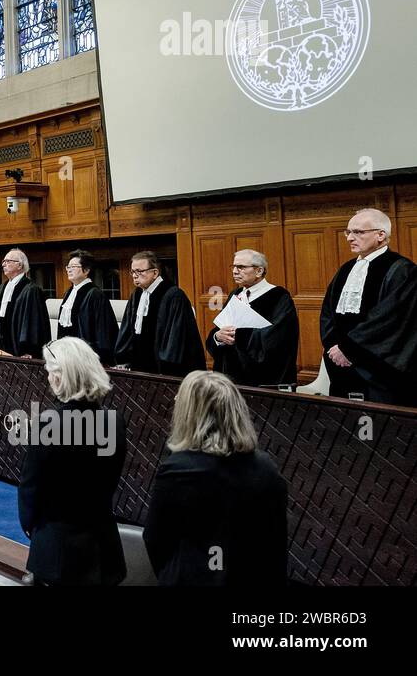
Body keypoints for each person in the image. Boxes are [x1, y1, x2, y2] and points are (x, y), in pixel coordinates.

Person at [143, 371, 288, 585]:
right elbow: (275, 542)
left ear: (189, 414)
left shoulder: (178, 470)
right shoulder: (267, 467)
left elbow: (155, 540)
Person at [18, 337, 127, 586]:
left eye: (49, 372)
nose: (47, 378)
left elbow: (31, 486)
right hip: (103, 547)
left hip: (59, 551)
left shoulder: (50, 423)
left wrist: (33, 527)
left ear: (60, 376)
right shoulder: (114, 420)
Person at [320, 208, 417, 405]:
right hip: (340, 364)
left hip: (378, 368)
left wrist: (349, 349)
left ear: (381, 235)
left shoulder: (401, 269)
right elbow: (328, 312)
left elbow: (391, 319)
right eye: (348, 232)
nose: (349, 238)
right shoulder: (346, 269)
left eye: (358, 232)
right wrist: (332, 345)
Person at [205, 249, 300, 387]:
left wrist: (239, 335)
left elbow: (278, 338)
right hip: (230, 378)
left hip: (262, 378)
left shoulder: (278, 297)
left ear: (259, 271)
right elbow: (220, 327)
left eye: (241, 267)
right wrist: (218, 337)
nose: (235, 271)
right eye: (233, 266)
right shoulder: (235, 294)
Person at [113, 251, 204, 375]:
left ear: (155, 273)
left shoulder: (173, 296)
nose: (135, 276)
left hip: (164, 368)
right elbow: (128, 330)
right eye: (133, 272)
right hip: (139, 365)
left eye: (139, 271)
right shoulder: (137, 294)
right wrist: (124, 357)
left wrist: (166, 365)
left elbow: (176, 337)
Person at [0, 248, 51, 358]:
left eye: (8, 261)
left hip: (20, 349)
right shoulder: (2, 287)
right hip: (0, 345)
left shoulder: (31, 290)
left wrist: (29, 350)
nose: (4, 265)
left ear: (20, 265)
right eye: (3, 262)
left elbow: (34, 322)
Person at [56, 250, 119, 363]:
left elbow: (103, 330)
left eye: (74, 266)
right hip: (69, 355)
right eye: (68, 267)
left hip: (88, 356)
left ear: (86, 270)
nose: (69, 269)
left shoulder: (95, 294)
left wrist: (101, 358)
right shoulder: (69, 292)